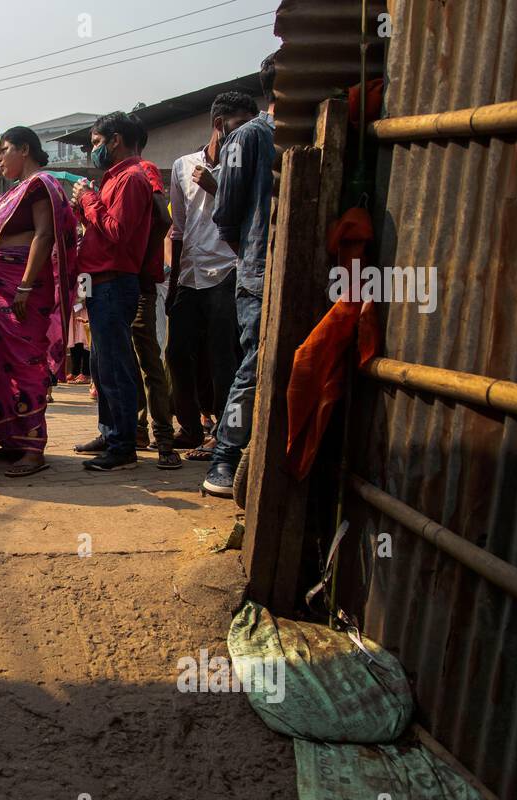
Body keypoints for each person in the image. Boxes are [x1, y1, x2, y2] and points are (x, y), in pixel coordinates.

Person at [0, 125, 78, 476]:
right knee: (0, 361)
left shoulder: (40, 185)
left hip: (19, 289)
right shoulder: (13, 192)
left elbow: (45, 234)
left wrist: (23, 285)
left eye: (5, 150)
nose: (1, 158)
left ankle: (34, 448)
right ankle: (13, 438)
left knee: (24, 363)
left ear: (24, 149)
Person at [166, 91, 258, 461]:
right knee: (177, 353)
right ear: (220, 125)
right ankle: (189, 427)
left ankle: (222, 437)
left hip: (230, 269)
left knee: (224, 358)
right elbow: (178, 229)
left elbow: (252, 214)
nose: (246, 133)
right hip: (190, 272)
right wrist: (172, 285)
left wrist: (218, 187)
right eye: (240, 125)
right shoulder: (182, 165)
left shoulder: (245, 165)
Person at [203, 55, 278, 498]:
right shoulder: (249, 138)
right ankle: (224, 459)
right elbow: (226, 217)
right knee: (251, 365)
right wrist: (252, 257)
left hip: (301, 272)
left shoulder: (313, 133)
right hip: (257, 271)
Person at [69, 111, 157, 472]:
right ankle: (110, 434)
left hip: (114, 282)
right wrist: (84, 206)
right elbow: (100, 229)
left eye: (96, 143)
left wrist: (88, 200)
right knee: (100, 365)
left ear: (115, 139)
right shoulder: (113, 180)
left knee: (115, 365)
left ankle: (123, 445)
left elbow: (117, 231)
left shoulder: (132, 179)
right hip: (99, 282)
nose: (94, 151)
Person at [128, 123, 180, 468]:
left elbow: (162, 217)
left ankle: (163, 439)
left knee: (147, 362)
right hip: (125, 282)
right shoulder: (120, 176)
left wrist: (143, 261)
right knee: (129, 362)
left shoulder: (143, 170)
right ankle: (136, 431)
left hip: (138, 283)